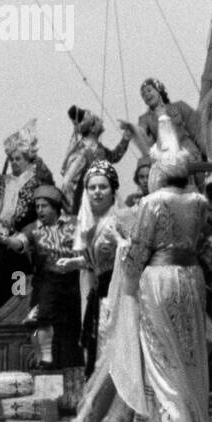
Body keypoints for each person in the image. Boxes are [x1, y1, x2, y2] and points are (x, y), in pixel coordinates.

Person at [117, 150, 212, 422]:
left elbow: (139, 248)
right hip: (192, 276)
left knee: (161, 355)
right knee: (191, 353)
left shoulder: (151, 202)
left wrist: (128, 283)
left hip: (159, 278)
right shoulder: (200, 202)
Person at [0, 120, 52, 316]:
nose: (13, 162)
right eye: (11, 159)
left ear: (28, 159)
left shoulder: (37, 182)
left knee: (18, 286)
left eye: (18, 158)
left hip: (22, 248)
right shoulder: (2, 181)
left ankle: (18, 319)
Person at [2, 186, 80, 370]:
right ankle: (45, 360)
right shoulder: (33, 229)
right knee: (43, 318)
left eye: (44, 206)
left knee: (72, 326)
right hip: (49, 280)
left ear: (55, 206)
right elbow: (20, 242)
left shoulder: (75, 222)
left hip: (74, 280)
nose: (40, 210)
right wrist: (7, 240)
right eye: (37, 206)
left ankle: (76, 363)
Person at [67, 161, 129, 376]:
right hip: (97, 290)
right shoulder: (87, 223)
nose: (97, 192)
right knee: (97, 342)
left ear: (112, 190)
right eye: (92, 188)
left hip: (120, 292)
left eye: (103, 187)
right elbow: (90, 262)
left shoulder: (122, 219)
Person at [60, 106, 131, 213]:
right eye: (98, 120)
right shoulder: (81, 152)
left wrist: (126, 138)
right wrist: (72, 210)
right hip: (85, 207)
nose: (101, 121)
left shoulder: (98, 148)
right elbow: (67, 182)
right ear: (92, 128)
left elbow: (113, 157)